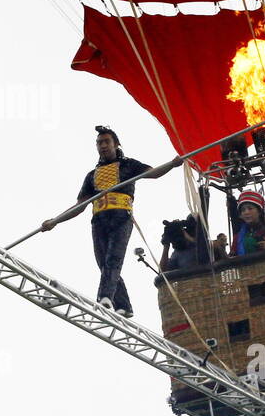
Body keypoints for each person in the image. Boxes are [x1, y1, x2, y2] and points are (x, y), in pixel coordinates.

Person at [41, 125, 180, 318]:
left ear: (116, 144)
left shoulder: (129, 165)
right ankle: (123, 306)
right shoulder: (91, 176)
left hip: (120, 216)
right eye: (99, 143)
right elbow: (80, 206)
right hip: (98, 220)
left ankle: (104, 298)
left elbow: (153, 173)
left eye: (106, 142)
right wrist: (55, 221)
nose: (102, 146)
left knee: (113, 259)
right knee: (103, 263)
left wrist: (172, 164)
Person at [231, 190, 265, 256]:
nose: (246, 212)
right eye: (243, 210)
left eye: (250, 208)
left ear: (259, 212)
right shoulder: (237, 238)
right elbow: (232, 259)